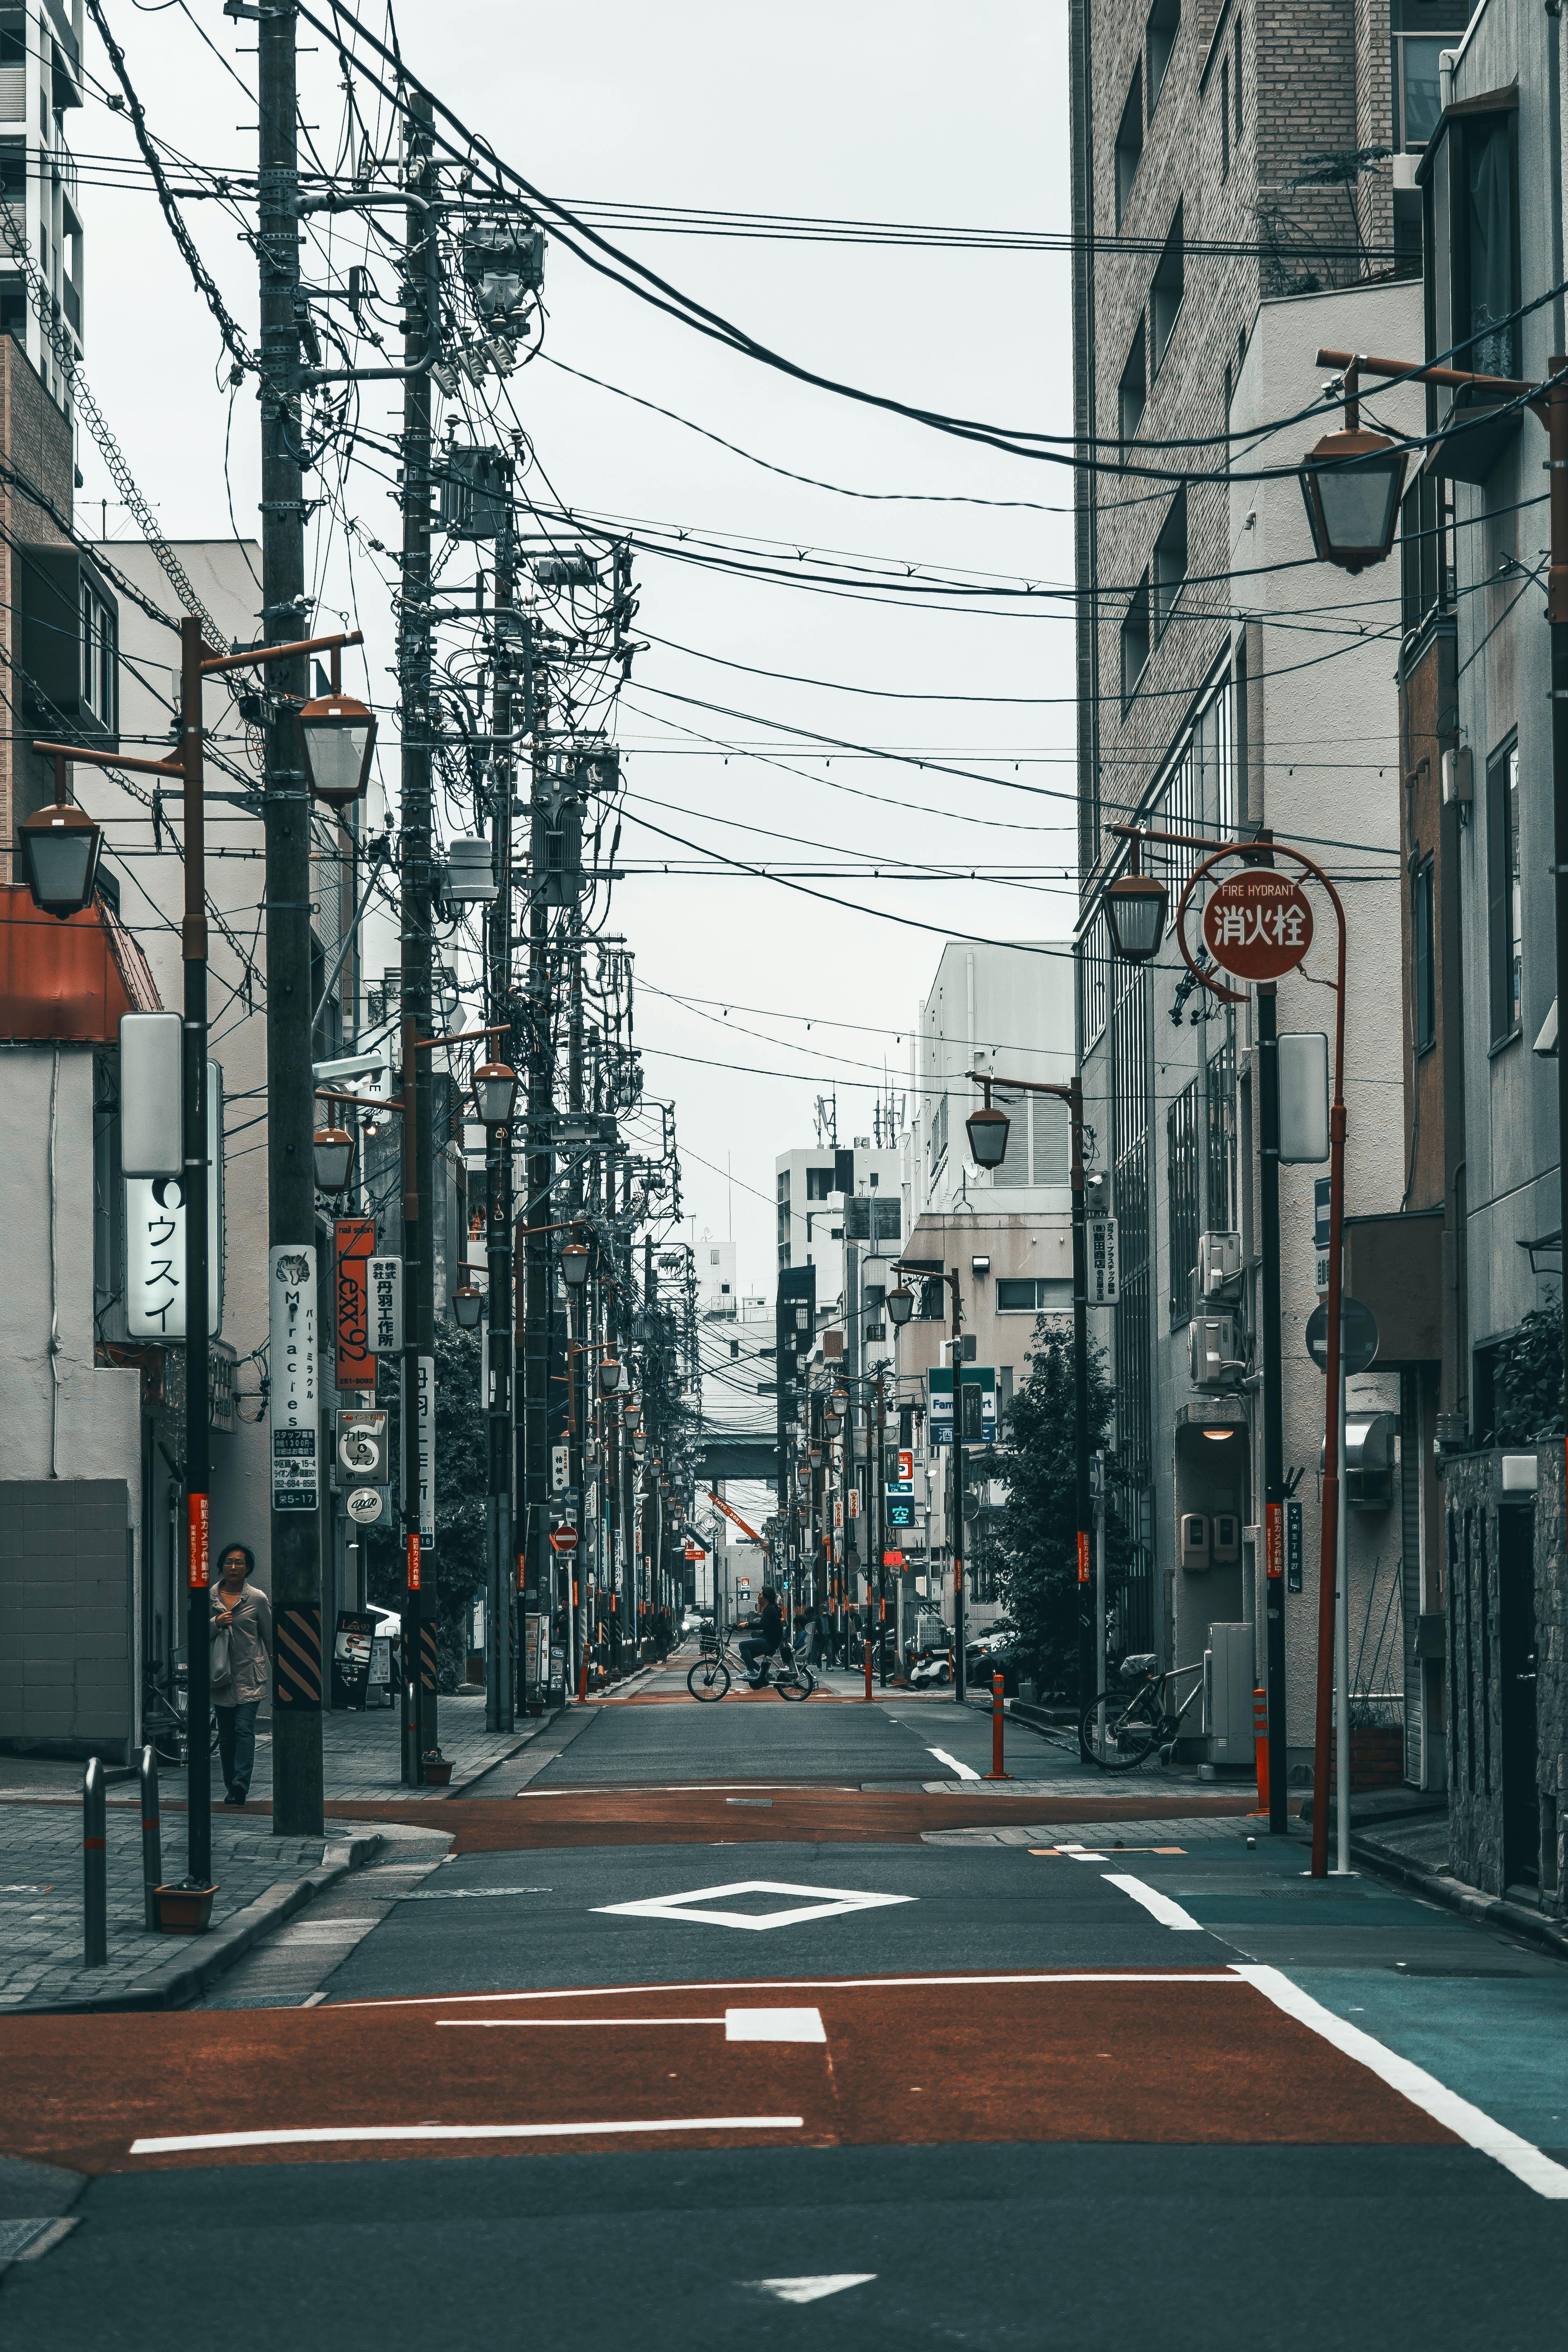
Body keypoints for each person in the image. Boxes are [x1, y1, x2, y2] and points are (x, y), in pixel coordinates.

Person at [211, 1543, 272, 1806]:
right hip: (220, 1676)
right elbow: (195, 1633)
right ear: (221, 1566)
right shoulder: (209, 1598)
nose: (233, 1567)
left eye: (239, 1563)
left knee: (244, 1729)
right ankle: (231, 1786)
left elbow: (270, 1638)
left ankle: (240, 1784)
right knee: (226, 1737)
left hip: (250, 1676)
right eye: (229, 1562)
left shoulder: (257, 1599)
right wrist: (215, 1623)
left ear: (248, 1569)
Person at [739, 1585, 783, 1688]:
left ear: (766, 1598)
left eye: (760, 1594)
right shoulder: (770, 1609)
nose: (758, 1597)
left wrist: (747, 1625)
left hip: (770, 1642)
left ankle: (751, 1672)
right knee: (745, 1656)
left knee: (742, 1645)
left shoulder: (769, 1610)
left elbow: (762, 1626)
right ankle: (764, 1674)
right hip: (771, 1641)